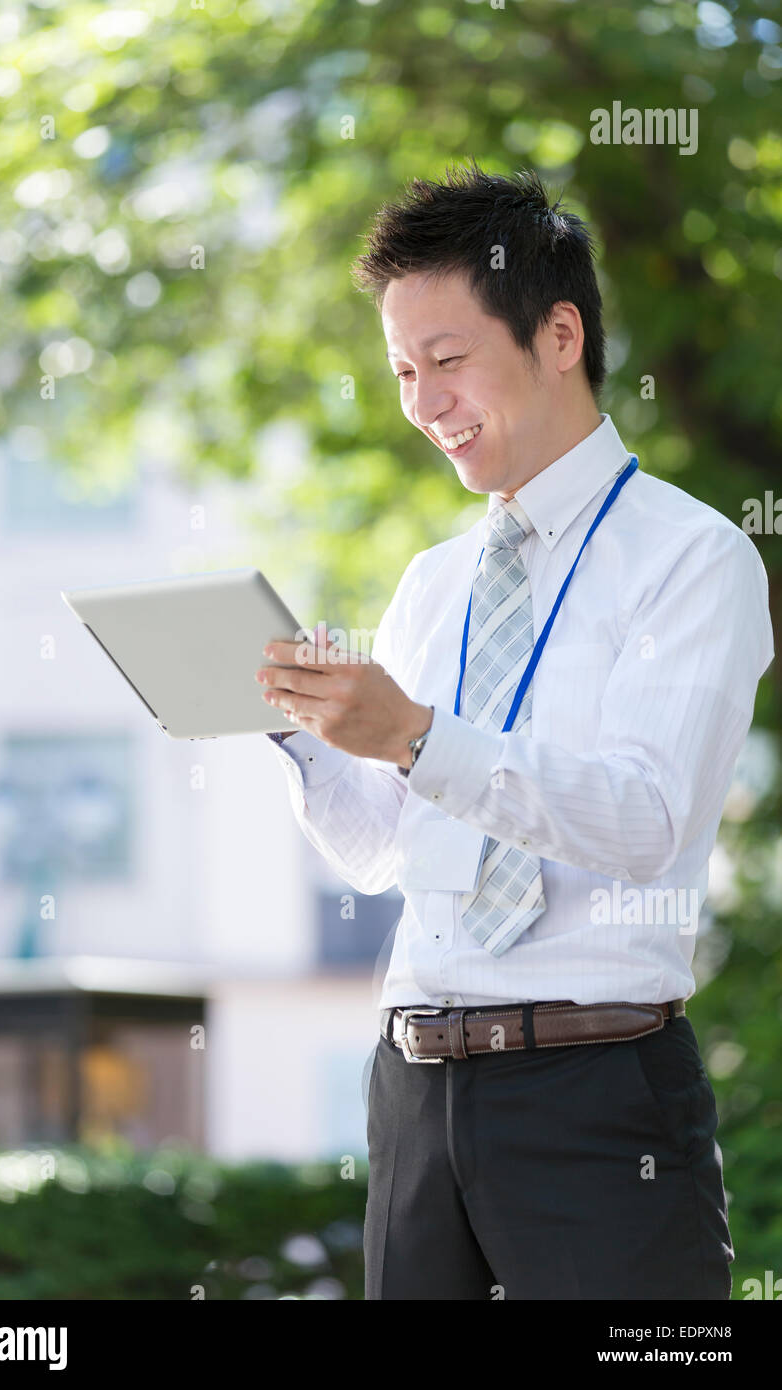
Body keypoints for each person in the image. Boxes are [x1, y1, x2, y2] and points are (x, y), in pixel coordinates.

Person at [255, 163, 774, 1300]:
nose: (422, 402)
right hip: (414, 1088)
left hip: (597, 1091)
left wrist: (413, 733)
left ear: (557, 334)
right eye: (402, 370)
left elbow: (644, 820)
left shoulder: (693, 559)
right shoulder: (433, 580)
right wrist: (303, 731)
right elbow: (382, 851)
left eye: (446, 359)